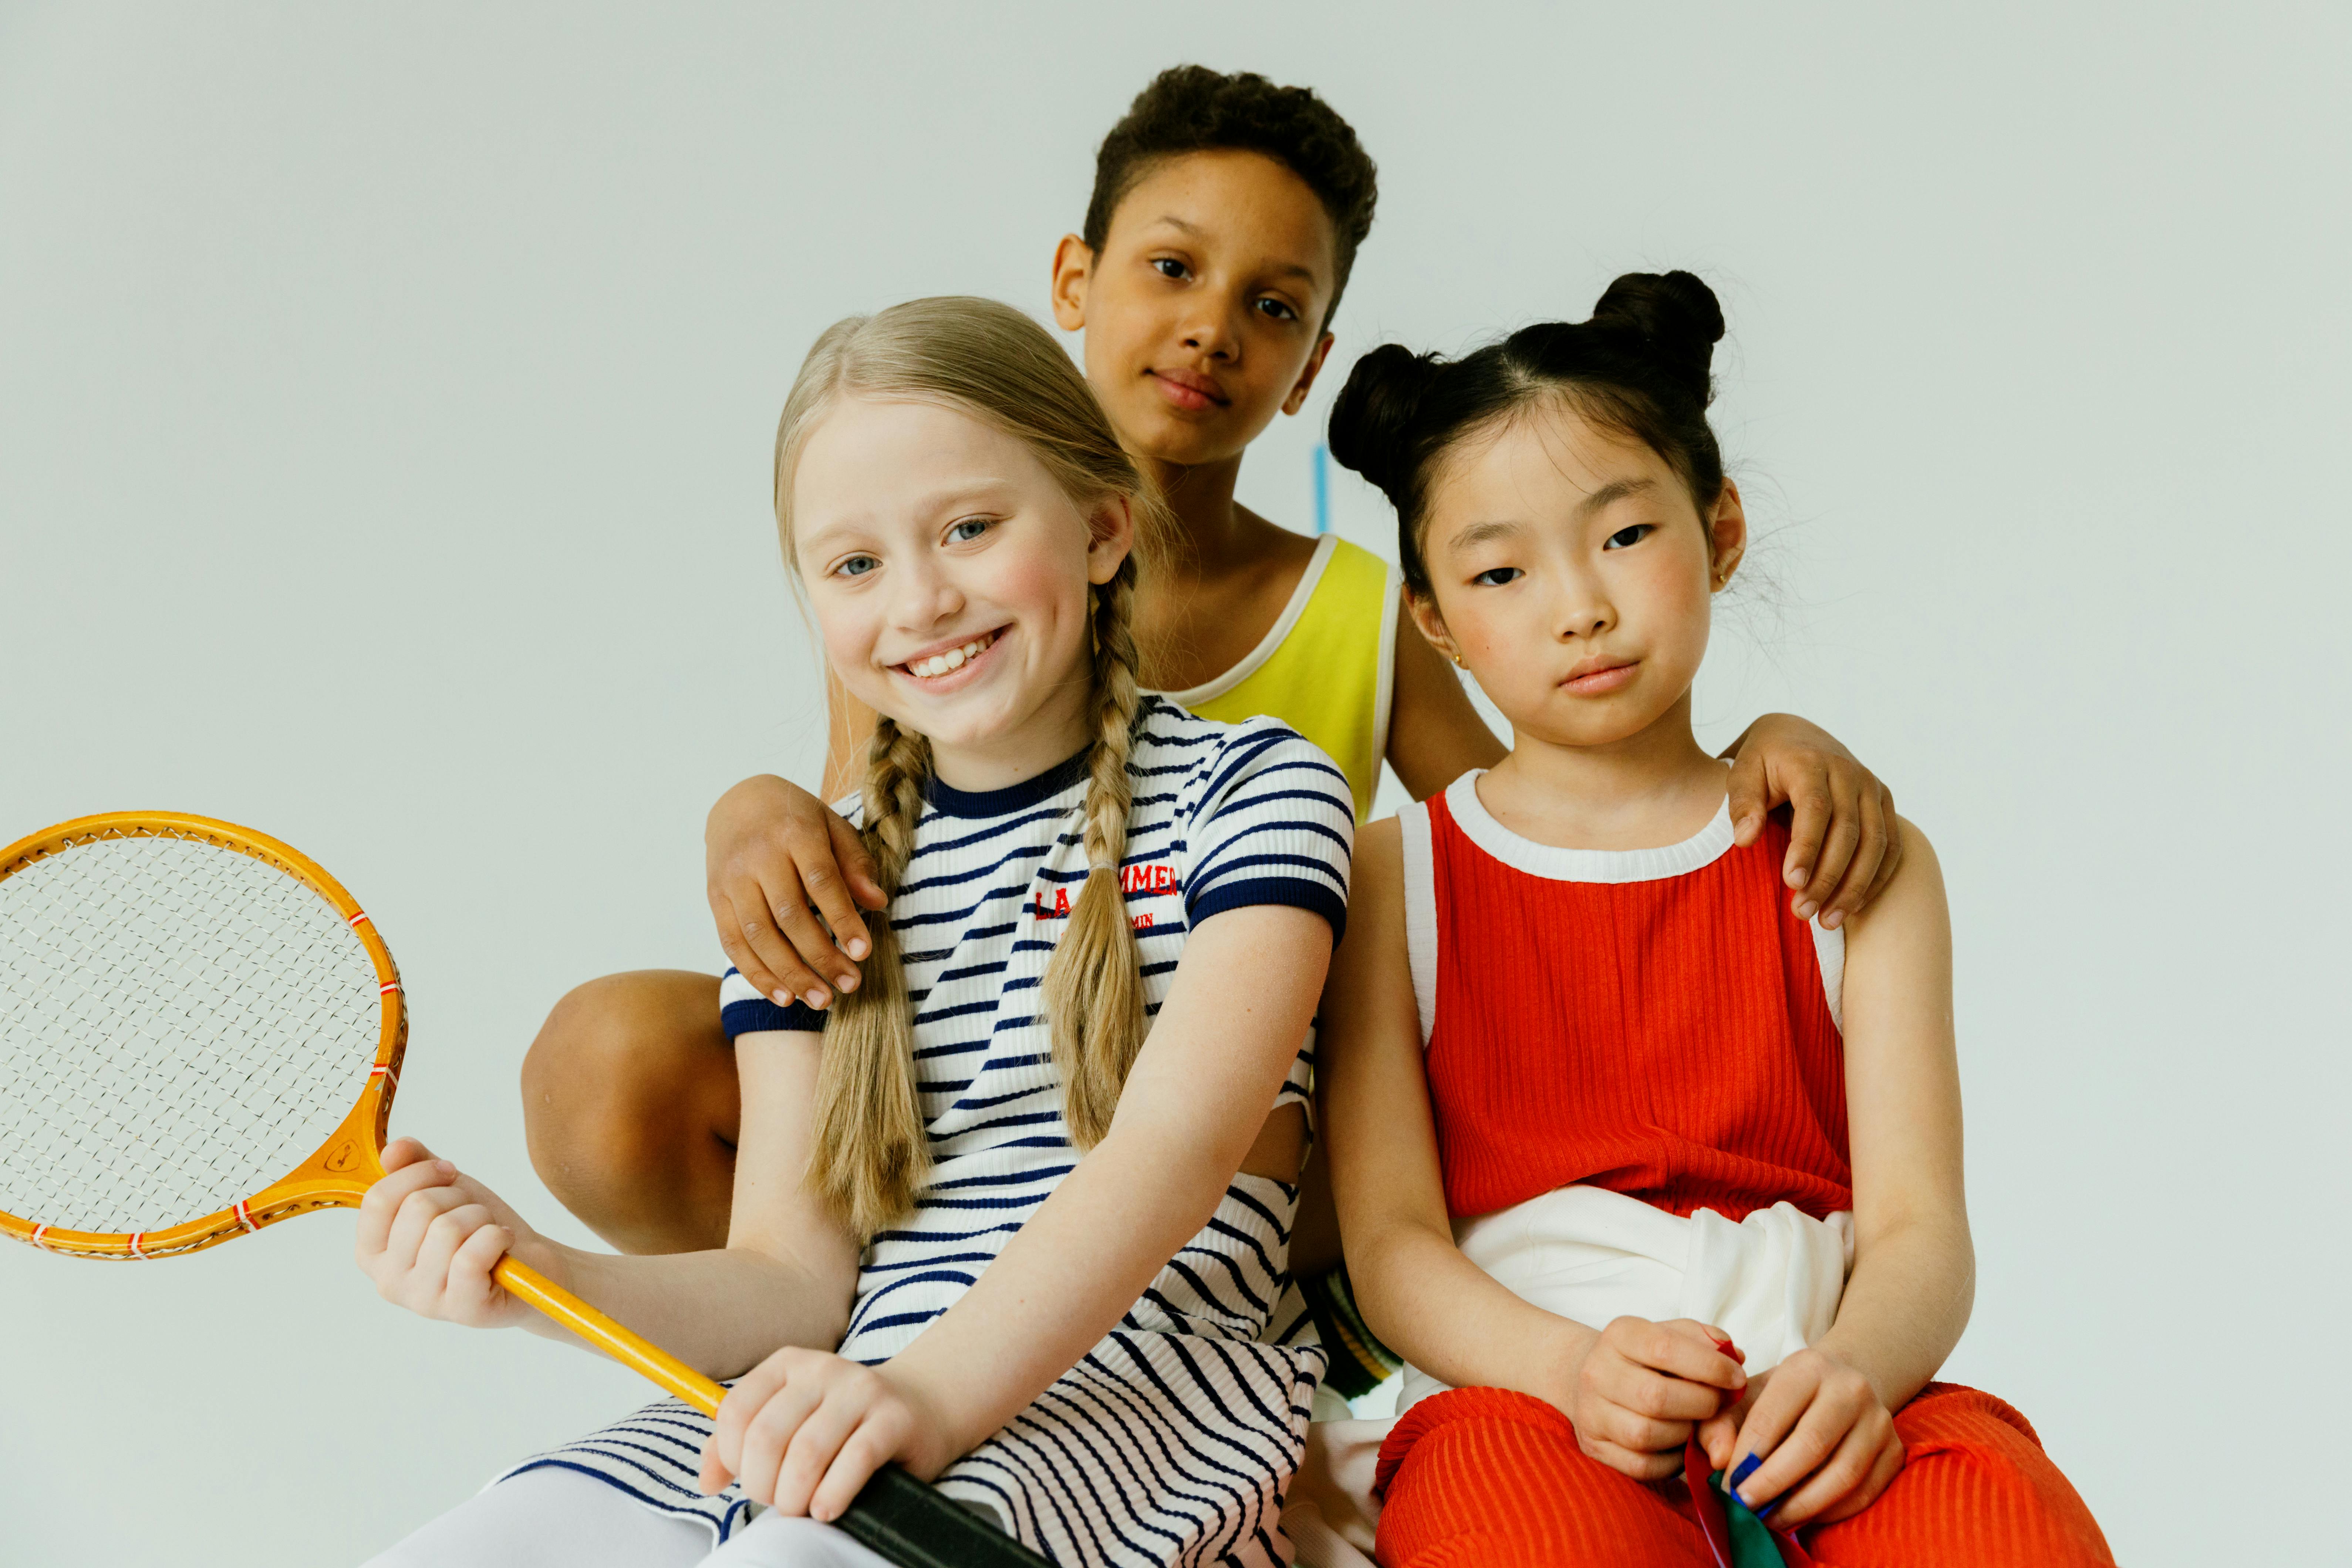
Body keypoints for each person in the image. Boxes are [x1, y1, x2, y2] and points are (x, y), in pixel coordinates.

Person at [520, 71, 1904, 1405]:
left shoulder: (1355, 613)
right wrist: (753, 804)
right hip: (992, 1098)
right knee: (610, 1062)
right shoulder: (936, 583)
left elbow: (1547, 836)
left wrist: (1760, 744)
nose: (1210, 330)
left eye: (1273, 305)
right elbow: (892, 895)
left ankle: (1257, 1371)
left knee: (1251, 1092)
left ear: (1311, 368)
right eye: (1173, 269)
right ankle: (865, 1335)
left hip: (1260, 1144)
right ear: (1074, 281)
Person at [355, 296, 1357, 1568]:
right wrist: (536, 1278)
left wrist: (926, 1398)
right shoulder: (823, 876)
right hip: (840, 1386)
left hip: (1139, 1400)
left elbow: (1176, 1150)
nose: (922, 600)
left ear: (1104, 529)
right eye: (854, 566)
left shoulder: (1256, 792)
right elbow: (789, 1280)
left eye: (971, 529)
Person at [1316, 272, 2115, 1565]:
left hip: (1832, 1371)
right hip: (1531, 1390)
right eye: (1501, 571)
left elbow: (1920, 1227)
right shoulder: (1391, 882)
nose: (1578, 606)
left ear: (1722, 530)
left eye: (1625, 535)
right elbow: (1394, 1244)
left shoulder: (1856, 859)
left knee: (2001, 1529)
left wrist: (1855, 1373)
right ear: (1435, 621)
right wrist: (1570, 1369)